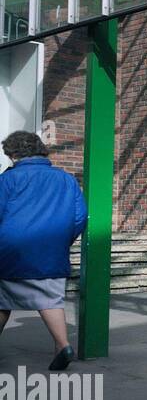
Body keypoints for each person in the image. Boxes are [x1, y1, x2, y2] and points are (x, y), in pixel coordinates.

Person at [0, 131, 88, 371]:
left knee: (2, 300)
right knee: (50, 300)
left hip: (10, 251)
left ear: (14, 154)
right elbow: (80, 216)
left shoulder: (7, 180)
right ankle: (63, 345)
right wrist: (62, 240)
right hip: (51, 252)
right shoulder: (66, 179)